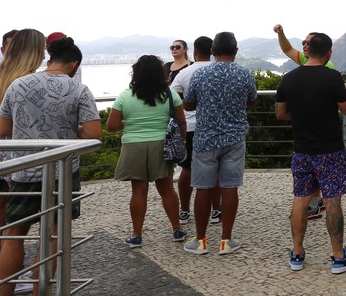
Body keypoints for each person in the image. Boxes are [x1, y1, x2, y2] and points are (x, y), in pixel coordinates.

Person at [0, 36, 101, 296]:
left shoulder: (18, 84)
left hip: (24, 169)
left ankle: (4, 293)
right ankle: (38, 292)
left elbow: (4, 129)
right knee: (53, 233)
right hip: (61, 173)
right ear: (74, 63)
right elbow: (92, 132)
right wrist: (71, 129)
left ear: (50, 59)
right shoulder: (79, 89)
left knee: (14, 231)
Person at [275, 32, 346, 274]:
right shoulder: (332, 78)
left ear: (307, 51)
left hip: (302, 151)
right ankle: (338, 257)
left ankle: (297, 254)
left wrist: (302, 115)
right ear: (329, 53)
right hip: (330, 150)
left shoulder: (288, 79)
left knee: (300, 199)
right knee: (332, 200)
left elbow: (280, 114)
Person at [182, 32, 257, 256]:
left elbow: (188, 105)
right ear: (235, 51)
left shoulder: (201, 74)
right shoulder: (245, 74)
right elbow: (252, 101)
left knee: (203, 188)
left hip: (205, 138)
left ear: (213, 52)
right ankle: (226, 240)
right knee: (230, 187)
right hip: (234, 139)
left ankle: (201, 240)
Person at [0, 28, 47, 274]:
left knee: (8, 211)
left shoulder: (2, 73)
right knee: (15, 219)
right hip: (18, 152)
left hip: (3, 148)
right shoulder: (22, 79)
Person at [107, 54, 187, 248]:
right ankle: (177, 228)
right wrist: (181, 140)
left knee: (139, 191)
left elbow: (111, 126)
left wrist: (130, 123)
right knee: (167, 189)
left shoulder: (126, 95)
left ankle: (137, 234)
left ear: (136, 73)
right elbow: (181, 121)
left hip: (133, 145)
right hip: (162, 144)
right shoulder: (169, 94)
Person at [272, 23, 335, 219]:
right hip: (312, 126)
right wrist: (281, 34)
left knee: (316, 165)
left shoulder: (327, 67)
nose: (304, 46)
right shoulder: (307, 60)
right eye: (304, 43)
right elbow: (287, 49)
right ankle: (316, 204)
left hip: (319, 129)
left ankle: (314, 205)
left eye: (308, 43)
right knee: (315, 166)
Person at [169, 36, 221, 226]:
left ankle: (184, 210)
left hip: (190, 127)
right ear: (212, 51)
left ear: (195, 52)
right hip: (215, 127)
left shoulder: (185, 73)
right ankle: (216, 210)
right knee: (215, 169)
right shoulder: (220, 71)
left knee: (187, 169)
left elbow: (170, 95)